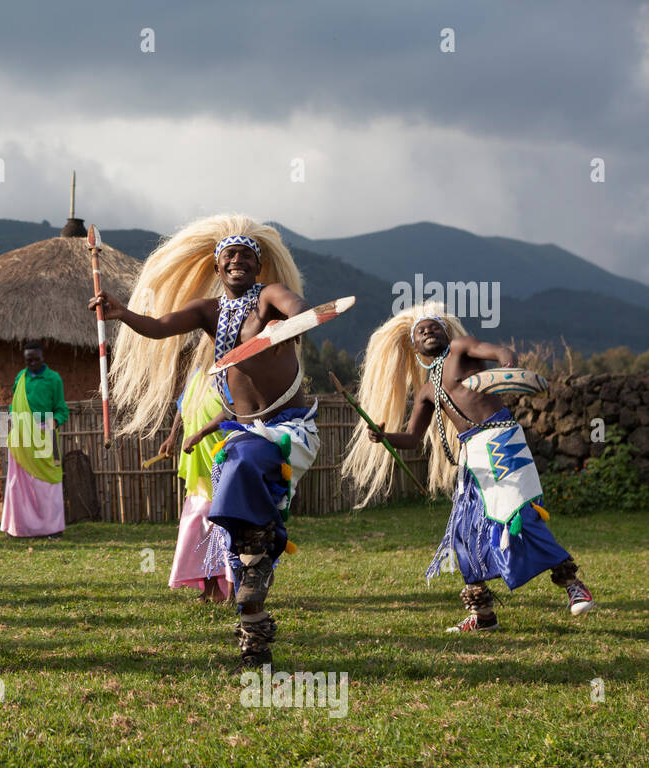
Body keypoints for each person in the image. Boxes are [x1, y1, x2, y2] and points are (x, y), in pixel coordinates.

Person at [90, 215, 319, 667]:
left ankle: (259, 552)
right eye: (229, 255)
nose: (237, 260)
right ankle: (252, 615)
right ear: (218, 268)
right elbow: (159, 326)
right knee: (228, 509)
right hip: (239, 428)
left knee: (248, 465)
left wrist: (287, 327)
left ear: (259, 265)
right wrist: (122, 314)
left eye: (246, 255)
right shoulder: (208, 311)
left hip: (287, 425)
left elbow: (299, 309)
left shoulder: (268, 299)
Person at [342, 302, 594, 632]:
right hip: (471, 456)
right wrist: (383, 435)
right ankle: (483, 615)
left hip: (501, 439)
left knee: (517, 516)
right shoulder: (427, 392)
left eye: (434, 327)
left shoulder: (461, 349)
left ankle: (572, 583)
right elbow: (411, 437)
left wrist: (507, 367)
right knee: (464, 532)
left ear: (447, 333)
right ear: (415, 348)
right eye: (421, 331)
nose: (428, 331)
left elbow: (501, 351)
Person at [158, 370, 233, 601]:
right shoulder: (196, 374)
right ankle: (210, 588)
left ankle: (232, 593)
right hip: (196, 461)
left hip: (220, 457)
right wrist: (172, 436)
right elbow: (182, 407)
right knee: (199, 523)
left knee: (226, 526)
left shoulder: (228, 374)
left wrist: (202, 433)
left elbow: (232, 409)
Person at [0, 342, 69, 539]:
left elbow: (61, 409)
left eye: (36, 359)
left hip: (44, 435)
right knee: (18, 483)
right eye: (28, 360)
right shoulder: (20, 378)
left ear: (42, 358)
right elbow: (14, 405)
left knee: (48, 483)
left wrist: (54, 421)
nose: (32, 363)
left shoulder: (53, 379)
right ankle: (18, 528)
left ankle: (52, 529)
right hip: (21, 436)